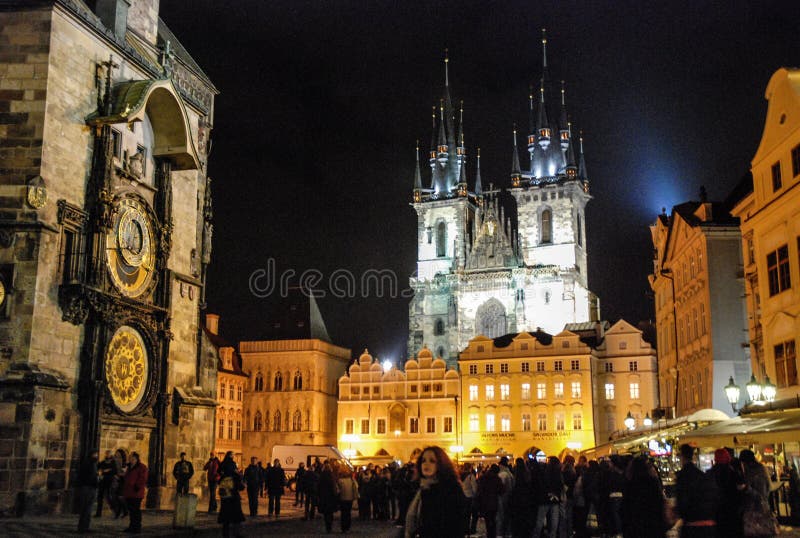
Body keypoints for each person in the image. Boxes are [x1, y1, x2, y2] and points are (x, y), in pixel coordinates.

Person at [405, 446, 466, 538]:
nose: (426, 464)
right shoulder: (420, 488)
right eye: (423, 461)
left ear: (441, 464)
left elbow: (456, 525)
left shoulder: (451, 489)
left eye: (432, 461)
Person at [675, 444, 718, 538]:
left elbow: (682, 502)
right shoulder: (701, 474)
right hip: (707, 523)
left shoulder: (682, 476)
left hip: (691, 524)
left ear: (682, 457)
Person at [621, 455, 669, 538]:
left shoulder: (629, 484)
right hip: (653, 526)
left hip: (635, 528)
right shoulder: (652, 483)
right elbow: (658, 506)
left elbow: (624, 509)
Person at [740, 449, 778, 538]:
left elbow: (761, 494)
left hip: (757, 511)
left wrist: (746, 488)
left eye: (743, 462)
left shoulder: (756, 472)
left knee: (758, 532)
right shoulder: (759, 469)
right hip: (758, 510)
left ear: (746, 461)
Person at [708, 448, 744, 538]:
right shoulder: (732, 472)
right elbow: (741, 487)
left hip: (716, 510)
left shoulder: (710, 473)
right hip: (732, 508)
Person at [533, 456, 564, 538]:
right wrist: (555, 493)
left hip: (545, 498)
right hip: (555, 498)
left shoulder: (545, 472)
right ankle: (553, 535)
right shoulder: (558, 473)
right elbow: (560, 485)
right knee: (554, 519)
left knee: (540, 519)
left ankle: (537, 535)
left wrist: (548, 493)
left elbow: (541, 485)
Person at [218, 451, 245, 538]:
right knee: (236, 518)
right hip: (233, 498)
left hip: (225, 498)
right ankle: (236, 534)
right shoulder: (234, 475)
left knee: (225, 518)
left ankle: (225, 534)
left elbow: (219, 474)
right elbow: (241, 487)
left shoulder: (223, 477)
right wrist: (240, 477)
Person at [122, 451, 148, 534]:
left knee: (136, 510)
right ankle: (131, 526)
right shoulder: (129, 467)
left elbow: (143, 478)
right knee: (131, 511)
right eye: (130, 458)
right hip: (128, 492)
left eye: (132, 458)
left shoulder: (142, 467)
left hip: (136, 493)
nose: (131, 460)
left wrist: (137, 487)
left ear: (136, 459)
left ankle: (137, 527)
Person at [76, 449, 99, 533]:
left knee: (88, 509)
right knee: (86, 508)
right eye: (95, 454)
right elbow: (89, 476)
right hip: (88, 488)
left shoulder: (92, 463)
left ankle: (85, 527)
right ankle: (82, 528)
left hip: (89, 487)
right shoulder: (89, 463)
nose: (97, 456)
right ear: (92, 455)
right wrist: (97, 478)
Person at [317, 462, 338, 533]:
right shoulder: (332, 476)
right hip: (331, 497)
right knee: (330, 513)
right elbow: (334, 487)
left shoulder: (321, 476)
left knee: (326, 513)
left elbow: (318, 487)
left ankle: (327, 527)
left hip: (324, 497)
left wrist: (319, 495)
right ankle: (330, 526)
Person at [497, 456, 515, 537]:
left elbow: (500, 487)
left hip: (502, 498)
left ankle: (500, 533)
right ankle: (508, 533)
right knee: (507, 516)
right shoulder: (510, 473)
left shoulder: (502, 474)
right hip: (509, 497)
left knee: (501, 517)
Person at [338, 465, 359, 532]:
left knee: (343, 513)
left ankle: (343, 527)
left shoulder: (340, 480)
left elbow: (338, 490)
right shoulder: (351, 480)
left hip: (342, 498)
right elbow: (356, 486)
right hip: (350, 498)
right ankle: (347, 526)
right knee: (348, 513)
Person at [460, 462, 479, 536]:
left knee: (465, 515)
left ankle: (465, 528)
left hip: (462, 497)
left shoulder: (459, 476)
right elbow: (474, 488)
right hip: (470, 497)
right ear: (470, 468)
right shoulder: (471, 476)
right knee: (474, 514)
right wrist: (475, 495)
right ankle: (472, 529)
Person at [96, 450, 114, 517]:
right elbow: (98, 469)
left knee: (109, 496)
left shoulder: (113, 462)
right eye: (106, 454)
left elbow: (114, 471)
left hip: (109, 481)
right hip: (102, 481)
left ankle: (115, 510)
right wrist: (102, 472)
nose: (107, 455)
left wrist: (106, 471)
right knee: (100, 497)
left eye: (108, 454)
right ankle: (98, 513)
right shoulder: (102, 462)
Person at [112, 449, 128, 519]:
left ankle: (120, 512)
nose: (117, 458)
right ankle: (123, 511)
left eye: (119, 456)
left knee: (120, 497)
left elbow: (125, 474)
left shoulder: (125, 465)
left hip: (122, 483)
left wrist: (120, 475)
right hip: (116, 482)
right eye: (116, 456)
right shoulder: (114, 463)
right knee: (117, 498)